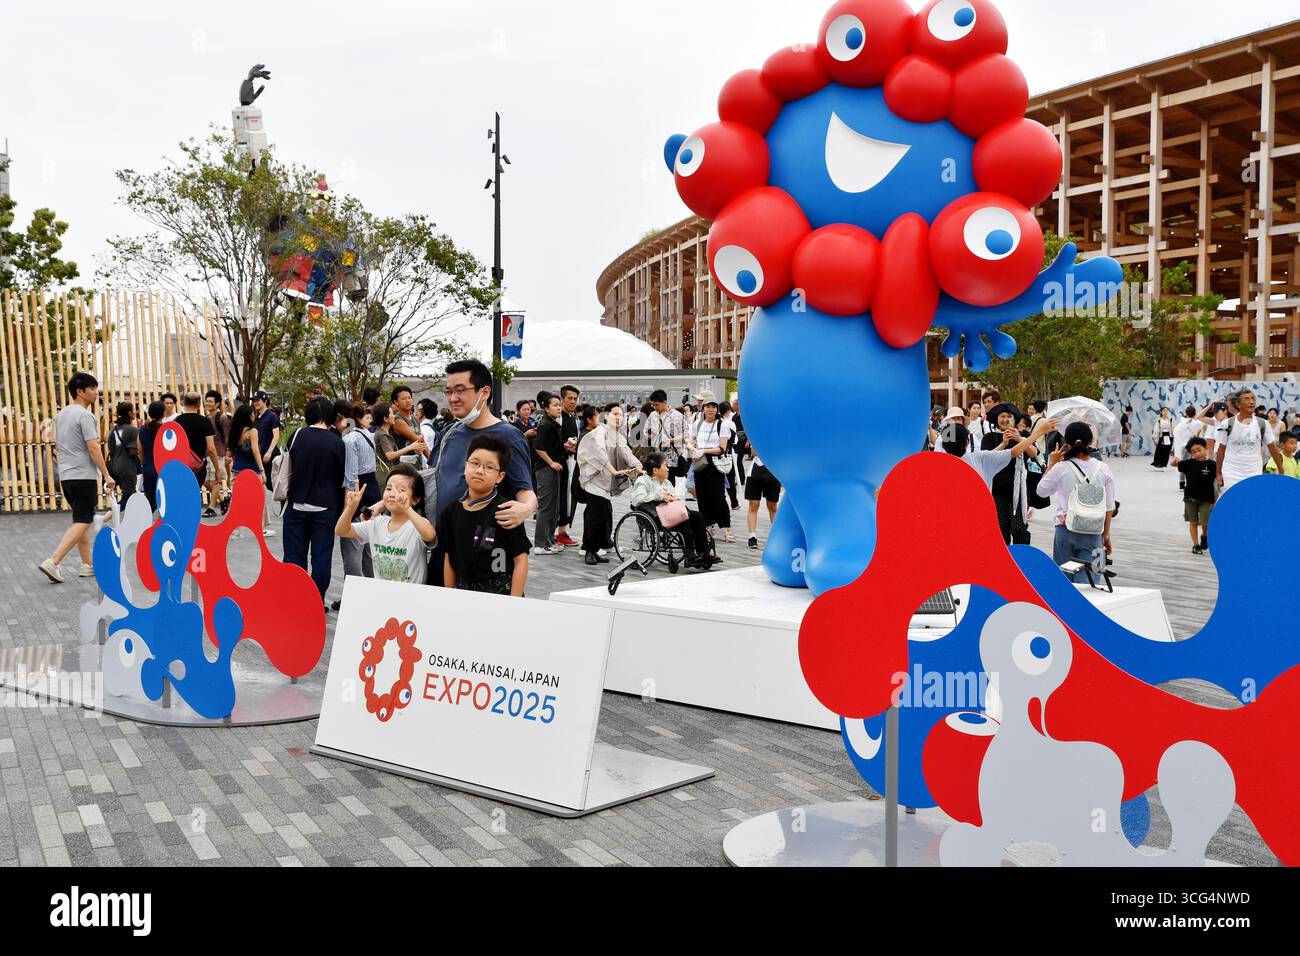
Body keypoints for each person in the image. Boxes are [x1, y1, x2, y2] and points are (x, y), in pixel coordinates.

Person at [423, 360, 536, 583]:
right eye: (449, 391)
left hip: (484, 554)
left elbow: (525, 490)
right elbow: (433, 477)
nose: (453, 398)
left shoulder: (509, 436)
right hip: (444, 547)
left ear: (484, 392)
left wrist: (526, 508)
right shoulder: (449, 432)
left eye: (460, 390)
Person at [39, 372, 116, 583]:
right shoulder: (85, 415)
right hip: (83, 475)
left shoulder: (61, 415)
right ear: (79, 391)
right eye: (91, 388)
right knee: (83, 519)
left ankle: (87, 565)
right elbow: (93, 447)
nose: (95, 392)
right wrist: (107, 475)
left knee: (81, 519)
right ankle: (53, 561)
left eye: (95, 387)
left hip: (67, 477)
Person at [439, 436, 530, 595]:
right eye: (474, 463)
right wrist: (449, 596)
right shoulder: (451, 511)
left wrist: (514, 603)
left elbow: (521, 560)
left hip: (498, 593)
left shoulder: (506, 511)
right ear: (465, 466)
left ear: (500, 477)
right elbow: (449, 557)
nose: (479, 470)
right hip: (463, 592)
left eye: (489, 467)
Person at [283, 395, 346, 608]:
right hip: (325, 506)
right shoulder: (337, 442)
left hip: (297, 502)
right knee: (321, 556)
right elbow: (340, 478)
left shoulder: (296, 436)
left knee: (294, 555)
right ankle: (315, 602)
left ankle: (295, 598)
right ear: (330, 417)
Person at [1036, 421, 1117, 584]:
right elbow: (1109, 507)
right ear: (1091, 441)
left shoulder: (1061, 468)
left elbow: (1041, 491)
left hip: (1065, 529)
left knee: (1064, 584)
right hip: (1093, 532)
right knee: (1090, 584)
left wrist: (1052, 463)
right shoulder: (1103, 469)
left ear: (1067, 442)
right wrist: (1106, 534)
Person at [336, 463, 436, 585]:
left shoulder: (417, 525)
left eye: (401, 490)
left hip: (410, 599)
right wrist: (351, 508)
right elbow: (341, 530)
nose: (392, 493)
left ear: (415, 499)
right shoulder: (377, 523)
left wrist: (407, 508)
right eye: (388, 488)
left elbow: (430, 536)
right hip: (382, 596)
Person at [577, 403, 643, 565]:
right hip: (594, 480)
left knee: (602, 516)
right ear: (605, 416)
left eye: (621, 414)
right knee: (596, 517)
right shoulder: (599, 432)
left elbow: (626, 453)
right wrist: (613, 470)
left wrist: (639, 466)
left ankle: (596, 548)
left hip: (605, 482)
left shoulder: (618, 436)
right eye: (614, 414)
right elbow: (599, 452)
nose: (618, 417)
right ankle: (589, 551)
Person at [631, 452, 717, 569]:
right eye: (665, 466)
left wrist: (673, 498)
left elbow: (676, 497)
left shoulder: (667, 482)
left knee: (696, 516)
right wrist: (660, 496)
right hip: (652, 516)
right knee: (683, 519)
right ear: (655, 470)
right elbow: (637, 499)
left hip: (669, 513)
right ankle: (690, 556)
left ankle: (703, 553)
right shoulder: (643, 481)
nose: (668, 469)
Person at [335, 401, 380, 603]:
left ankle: (353, 598)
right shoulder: (369, 435)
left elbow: (351, 476)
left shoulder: (350, 439)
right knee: (369, 547)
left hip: (358, 492)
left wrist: (347, 508)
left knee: (352, 547)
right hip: (373, 492)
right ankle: (372, 592)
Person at [981, 402, 1035, 546]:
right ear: (997, 419)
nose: (1005, 419)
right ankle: (1002, 561)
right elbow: (986, 458)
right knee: (1000, 530)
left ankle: (1021, 558)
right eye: (1002, 416)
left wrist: (1019, 440)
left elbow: (1035, 453)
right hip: (996, 490)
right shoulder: (989, 437)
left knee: (1019, 529)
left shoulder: (1023, 435)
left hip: (1019, 490)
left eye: (1009, 416)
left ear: (1015, 419)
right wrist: (1004, 444)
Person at [1215, 389, 1284, 492]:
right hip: (1231, 472)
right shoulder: (1227, 423)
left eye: (1253, 399)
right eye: (1247, 399)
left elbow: (1273, 448)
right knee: (1233, 503)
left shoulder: (1263, 423)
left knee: (1251, 504)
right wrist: (1218, 473)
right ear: (1238, 404)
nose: (1251, 402)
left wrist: (1281, 469)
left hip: (1254, 472)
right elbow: (1221, 449)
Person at [688, 394, 735, 542]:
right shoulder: (698, 424)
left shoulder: (722, 425)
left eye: (713, 406)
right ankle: (708, 526)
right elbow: (690, 441)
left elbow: (722, 448)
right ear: (703, 408)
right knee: (702, 497)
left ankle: (727, 529)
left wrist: (704, 450)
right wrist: (694, 449)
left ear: (717, 409)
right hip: (700, 462)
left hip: (715, 464)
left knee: (719, 497)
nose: (710, 409)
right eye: (708, 406)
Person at [530, 392, 566, 555]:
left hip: (553, 469)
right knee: (546, 507)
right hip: (545, 470)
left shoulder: (553, 423)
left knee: (553, 507)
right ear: (546, 408)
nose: (559, 407)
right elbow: (538, 446)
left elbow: (551, 446)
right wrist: (551, 462)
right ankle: (540, 544)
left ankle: (549, 540)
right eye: (555, 405)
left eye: (559, 405)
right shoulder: (545, 424)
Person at [175, 392, 219, 514]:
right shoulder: (204, 422)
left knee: (182, 496)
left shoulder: (176, 421)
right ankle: (192, 524)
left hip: (181, 466)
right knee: (193, 494)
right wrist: (217, 469)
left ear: (183, 402)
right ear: (199, 404)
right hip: (198, 467)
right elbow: (211, 448)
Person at [1177, 437, 1217, 554]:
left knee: (1205, 523)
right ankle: (1196, 545)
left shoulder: (1212, 464)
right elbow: (1175, 464)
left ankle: (1204, 536)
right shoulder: (1188, 463)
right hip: (1190, 497)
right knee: (1193, 522)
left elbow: (1218, 479)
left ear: (1206, 448)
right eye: (1193, 452)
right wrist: (1173, 462)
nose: (1197, 454)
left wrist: (1215, 499)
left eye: (1199, 450)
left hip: (1206, 498)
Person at [251, 390, 281, 534]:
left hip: (271, 456)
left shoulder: (272, 416)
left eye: (258, 400)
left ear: (265, 400)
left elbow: (276, 435)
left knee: (274, 484)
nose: (256, 402)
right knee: (265, 486)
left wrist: (269, 451)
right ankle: (262, 522)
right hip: (260, 457)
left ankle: (284, 506)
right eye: (254, 400)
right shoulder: (257, 418)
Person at [555, 385, 581, 547]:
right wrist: (564, 446)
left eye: (575, 398)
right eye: (569, 398)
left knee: (569, 496)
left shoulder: (572, 417)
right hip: (562, 463)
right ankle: (560, 531)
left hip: (571, 462)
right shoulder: (559, 417)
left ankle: (562, 531)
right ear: (562, 399)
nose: (572, 401)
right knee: (564, 497)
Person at [744, 447, 781, 550]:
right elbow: (753, 453)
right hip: (755, 471)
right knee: (753, 505)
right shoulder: (756, 433)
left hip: (774, 471)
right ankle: (752, 536)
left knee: (773, 506)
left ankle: (778, 536)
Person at [647, 388, 689, 479]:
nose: (654, 407)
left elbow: (685, 433)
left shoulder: (677, 415)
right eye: (652, 404)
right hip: (656, 456)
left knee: (669, 482)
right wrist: (651, 437)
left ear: (665, 402)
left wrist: (671, 440)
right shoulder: (652, 415)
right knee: (656, 482)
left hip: (671, 457)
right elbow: (645, 431)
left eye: (656, 404)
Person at [205, 390, 232, 514]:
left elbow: (227, 437)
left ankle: (211, 508)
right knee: (206, 482)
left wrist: (228, 454)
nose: (208, 403)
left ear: (217, 404)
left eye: (211, 401)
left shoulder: (222, 418)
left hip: (219, 453)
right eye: (207, 401)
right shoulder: (205, 418)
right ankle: (223, 500)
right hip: (207, 454)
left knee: (215, 480)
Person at [137, 400, 167, 513]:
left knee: (150, 500)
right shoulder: (166, 429)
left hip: (148, 466)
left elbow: (139, 450)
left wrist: (144, 461)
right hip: (163, 468)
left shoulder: (143, 429)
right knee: (164, 500)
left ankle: (147, 526)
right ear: (163, 413)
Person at [107, 401, 140, 501]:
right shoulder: (133, 430)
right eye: (134, 410)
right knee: (128, 497)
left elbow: (111, 449)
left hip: (115, 466)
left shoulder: (114, 429)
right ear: (130, 413)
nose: (136, 412)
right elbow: (132, 452)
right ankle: (105, 517)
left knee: (127, 496)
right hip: (128, 467)